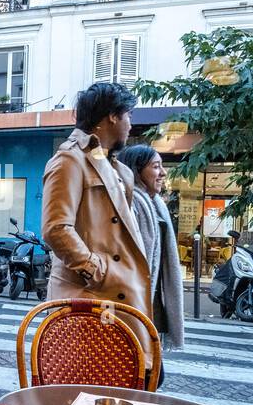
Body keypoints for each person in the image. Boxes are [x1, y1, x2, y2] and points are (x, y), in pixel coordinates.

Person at [40, 82, 154, 372]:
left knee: (139, 376)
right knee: (89, 388)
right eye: (128, 114)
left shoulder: (118, 169)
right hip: (91, 299)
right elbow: (56, 228)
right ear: (112, 117)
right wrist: (97, 270)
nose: (131, 123)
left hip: (118, 296)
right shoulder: (69, 159)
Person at [117, 145, 184, 350]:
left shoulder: (156, 205)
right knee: (144, 373)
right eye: (156, 167)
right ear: (136, 171)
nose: (163, 173)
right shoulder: (130, 204)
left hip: (151, 301)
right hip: (133, 303)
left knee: (149, 373)